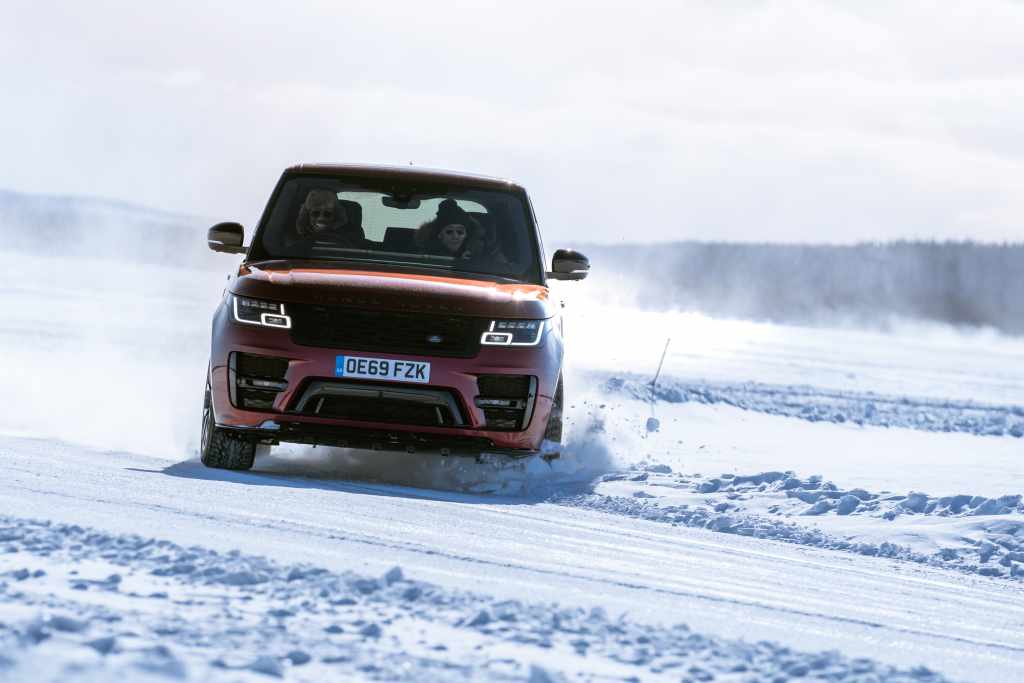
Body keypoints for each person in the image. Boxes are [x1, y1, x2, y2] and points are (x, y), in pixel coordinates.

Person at [289, 189, 365, 248]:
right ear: (307, 215)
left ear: (336, 216)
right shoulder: (295, 242)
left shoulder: (351, 239)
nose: (321, 219)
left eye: (327, 214)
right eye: (315, 213)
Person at [415, 198, 485, 259]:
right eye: (449, 231)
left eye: (460, 232)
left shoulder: (481, 259)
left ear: (466, 235)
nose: (455, 236)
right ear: (439, 235)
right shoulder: (425, 258)